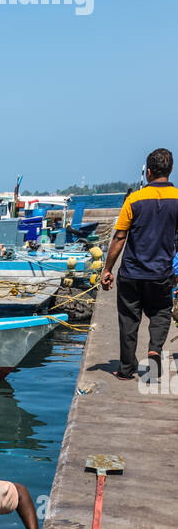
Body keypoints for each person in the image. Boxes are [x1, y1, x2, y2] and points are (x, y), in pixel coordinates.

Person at [101, 148, 178, 379]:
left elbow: (119, 237)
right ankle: (154, 351)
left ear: (149, 172)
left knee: (128, 319)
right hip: (161, 272)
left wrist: (108, 269)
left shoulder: (133, 199)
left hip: (132, 272)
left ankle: (125, 370)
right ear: (171, 170)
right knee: (161, 313)